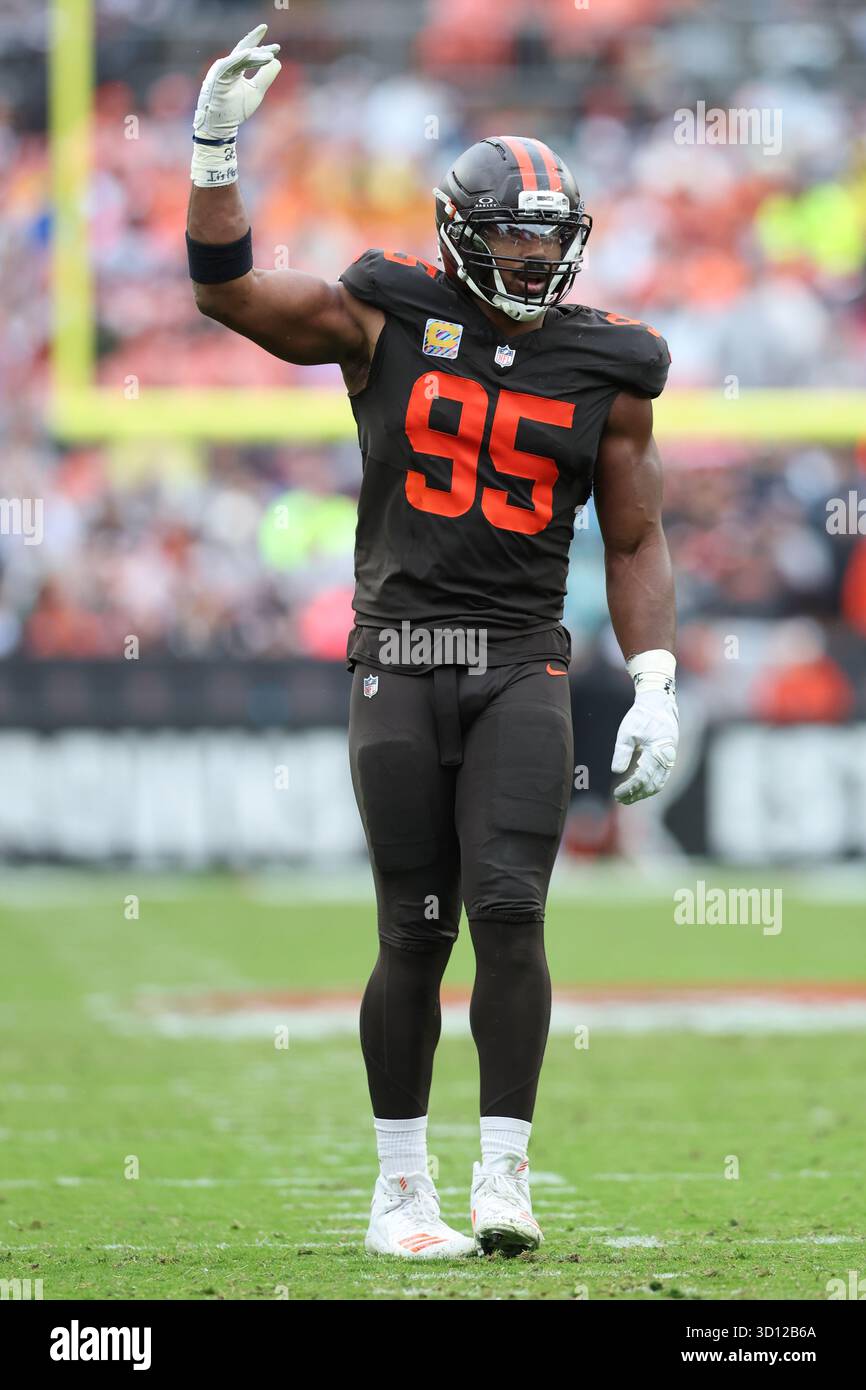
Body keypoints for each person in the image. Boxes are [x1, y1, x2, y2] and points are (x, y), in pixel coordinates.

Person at [186, 25, 679, 1259]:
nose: (530, 257)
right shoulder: (384, 312)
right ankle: (399, 1191)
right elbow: (227, 293)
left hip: (522, 657)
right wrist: (211, 148)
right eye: (511, 235)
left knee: (510, 913)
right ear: (462, 233)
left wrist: (656, 677)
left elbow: (631, 538)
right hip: (398, 656)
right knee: (412, 925)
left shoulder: (610, 365)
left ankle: (503, 1175)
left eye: (548, 240)